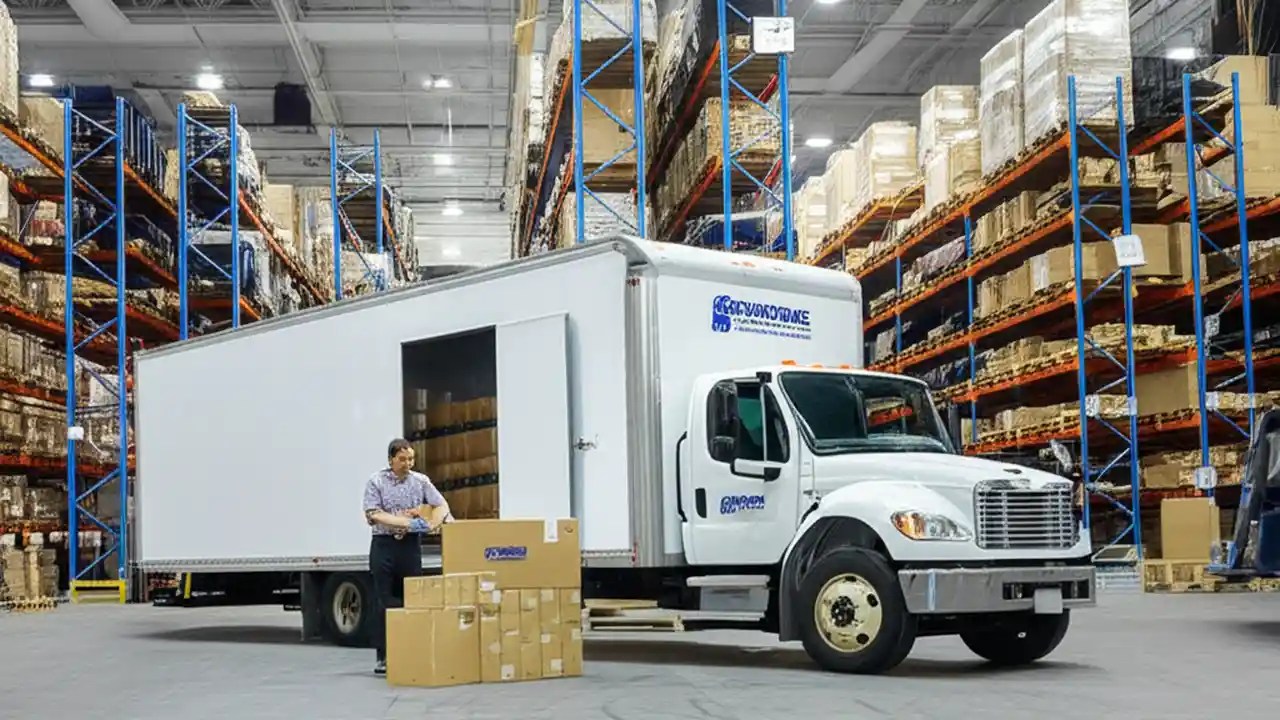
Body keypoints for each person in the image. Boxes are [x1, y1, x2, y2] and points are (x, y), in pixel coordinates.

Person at [362, 437, 450, 676]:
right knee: (384, 599)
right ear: (391, 459)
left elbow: (442, 505)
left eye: (411, 458)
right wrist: (406, 522)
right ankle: (383, 655)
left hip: (409, 547)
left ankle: (410, 650)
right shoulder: (376, 481)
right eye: (402, 459)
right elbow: (374, 514)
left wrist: (432, 522)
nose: (407, 463)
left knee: (412, 596)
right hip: (384, 544)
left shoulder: (421, 481)